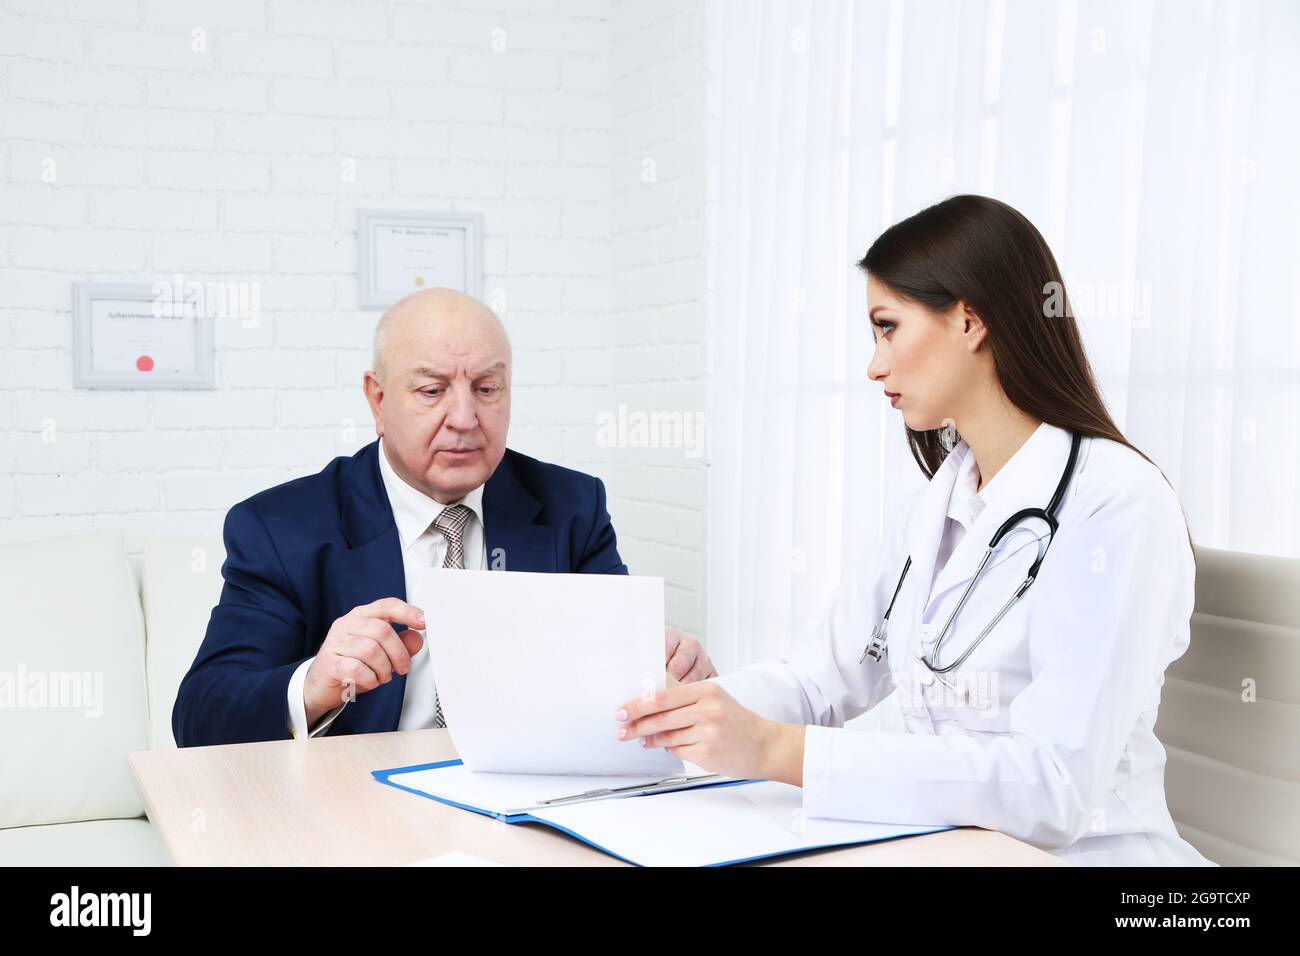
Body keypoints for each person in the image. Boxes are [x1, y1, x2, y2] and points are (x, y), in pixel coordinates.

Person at [616, 195, 1211, 866]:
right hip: (946, 850)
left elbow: (1053, 788)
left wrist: (779, 750)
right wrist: (679, 710)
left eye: (887, 327)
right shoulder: (943, 501)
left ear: (969, 320)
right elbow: (820, 680)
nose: (874, 365)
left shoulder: (1117, 506)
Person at [174, 288, 715, 747]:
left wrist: (662, 673)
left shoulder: (571, 506)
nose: (464, 419)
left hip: (525, 799)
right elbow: (200, 716)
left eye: (486, 389)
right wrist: (313, 684)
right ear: (378, 400)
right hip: (359, 807)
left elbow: (618, 682)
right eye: (432, 391)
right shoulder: (280, 528)